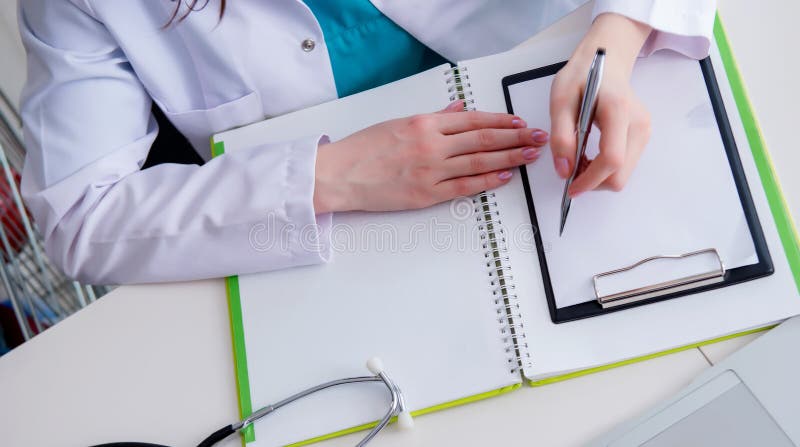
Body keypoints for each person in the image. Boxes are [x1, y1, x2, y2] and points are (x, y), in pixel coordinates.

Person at [18, 0, 715, 284]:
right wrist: (332, 174)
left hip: (562, 90)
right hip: (362, 248)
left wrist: (618, 38)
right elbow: (79, 215)